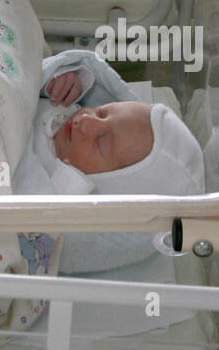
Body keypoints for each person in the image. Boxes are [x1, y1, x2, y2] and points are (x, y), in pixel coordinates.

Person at [14, 49, 205, 273]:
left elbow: (29, 226)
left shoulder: (56, 193)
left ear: (102, 187)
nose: (86, 120)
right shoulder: (67, 106)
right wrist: (59, 80)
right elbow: (22, 79)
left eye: (101, 142)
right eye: (102, 112)